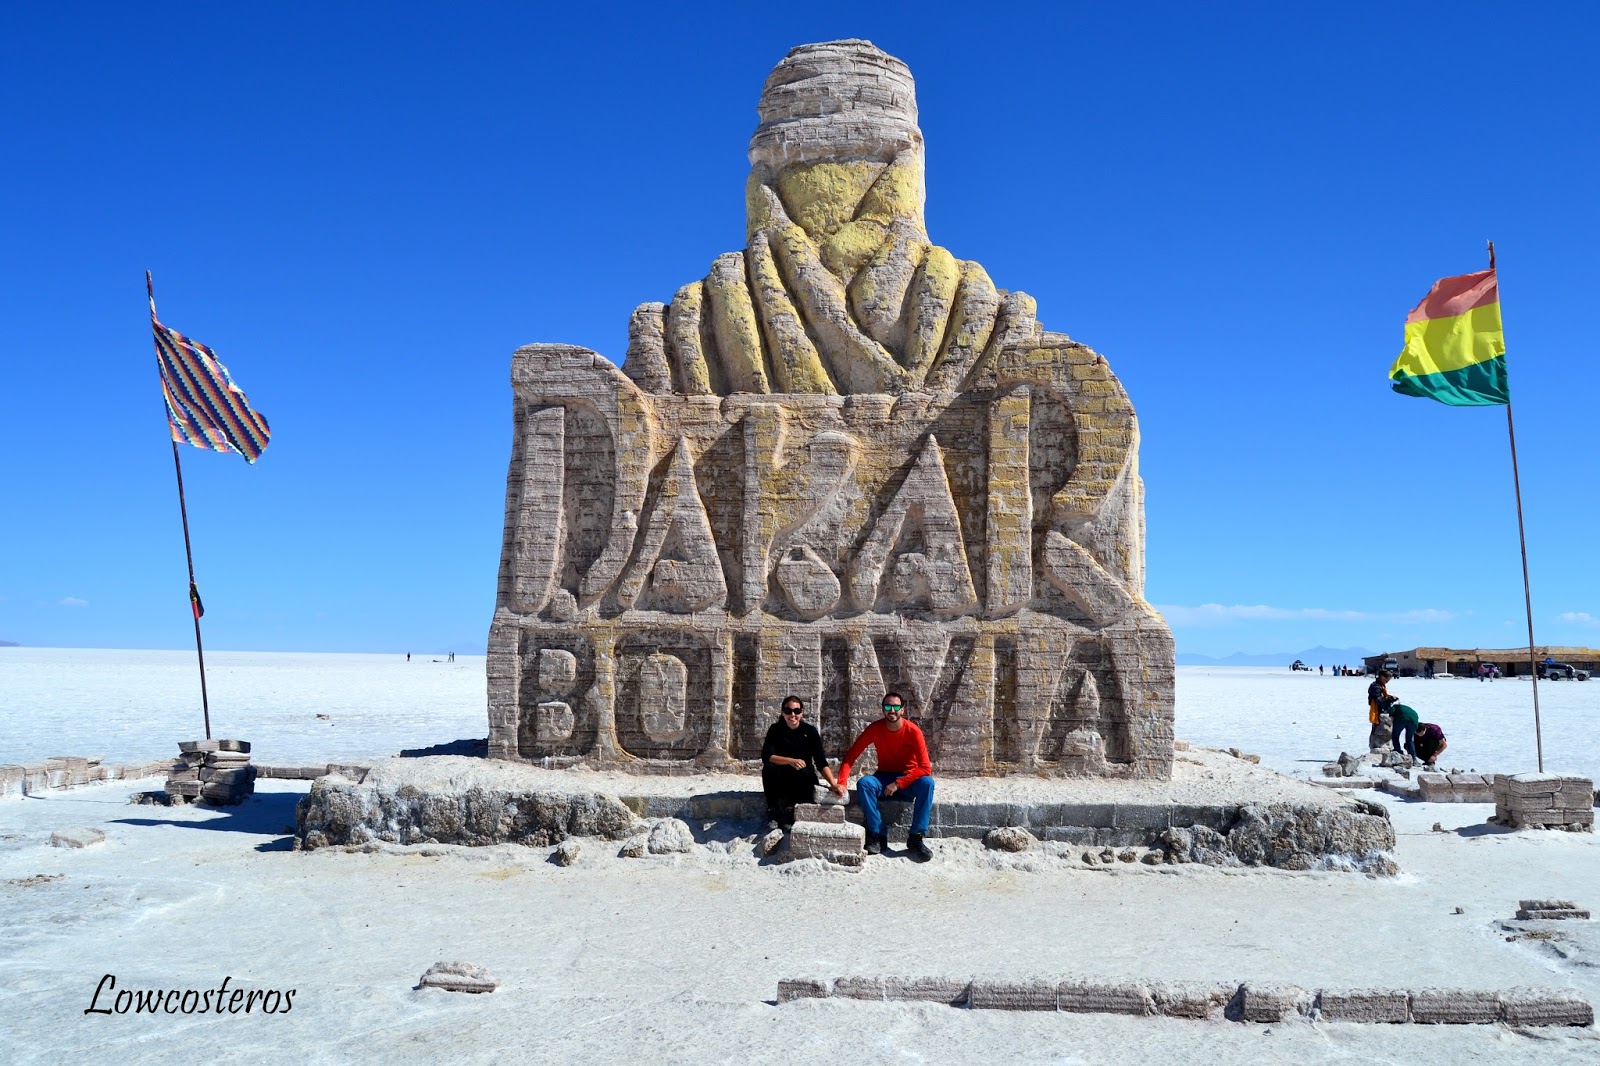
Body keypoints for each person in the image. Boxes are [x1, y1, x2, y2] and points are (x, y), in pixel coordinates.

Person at [837, 691, 935, 861]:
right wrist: (841, 783)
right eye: (888, 706)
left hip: (908, 780)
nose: (892, 710)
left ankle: (916, 837)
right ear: (883, 710)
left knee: (927, 783)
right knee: (865, 783)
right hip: (884, 777)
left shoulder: (913, 731)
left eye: (896, 706)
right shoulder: (875, 729)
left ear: (902, 710)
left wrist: (898, 783)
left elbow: (925, 768)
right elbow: (850, 757)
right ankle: (877, 835)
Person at [760, 696, 840, 830]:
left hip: (803, 778)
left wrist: (833, 784)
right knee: (769, 768)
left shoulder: (810, 732)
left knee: (803, 772)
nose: (792, 715)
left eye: (796, 711)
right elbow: (766, 756)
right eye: (788, 711)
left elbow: (821, 762)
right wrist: (790, 761)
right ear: (782, 712)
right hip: (782, 776)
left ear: (802, 713)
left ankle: (790, 813)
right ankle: (774, 811)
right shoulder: (775, 730)